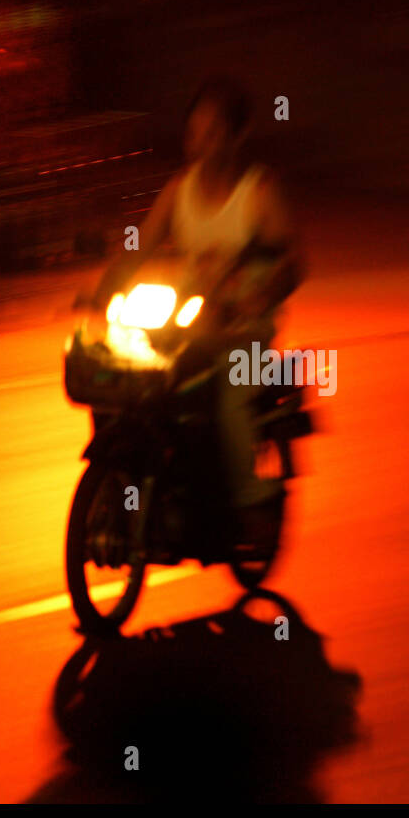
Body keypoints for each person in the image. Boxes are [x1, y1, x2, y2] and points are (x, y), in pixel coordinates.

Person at [92, 78, 306, 544]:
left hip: (243, 333)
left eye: (212, 134)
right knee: (123, 383)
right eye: (194, 133)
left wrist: (260, 296)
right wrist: (101, 291)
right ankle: (121, 491)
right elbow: (139, 247)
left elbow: (293, 265)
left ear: (236, 137)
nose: (200, 145)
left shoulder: (258, 192)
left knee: (231, 403)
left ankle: (251, 502)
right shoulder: (178, 192)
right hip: (190, 325)